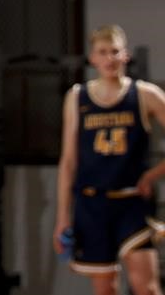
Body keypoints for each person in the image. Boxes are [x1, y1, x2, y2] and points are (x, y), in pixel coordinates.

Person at [55, 25, 165, 294]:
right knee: (105, 289)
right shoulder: (77, 97)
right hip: (92, 203)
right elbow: (68, 161)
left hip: (130, 202)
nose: (109, 58)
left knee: (147, 287)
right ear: (92, 58)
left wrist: (153, 174)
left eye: (115, 51)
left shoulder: (144, 94)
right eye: (102, 52)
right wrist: (62, 217)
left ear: (125, 55)